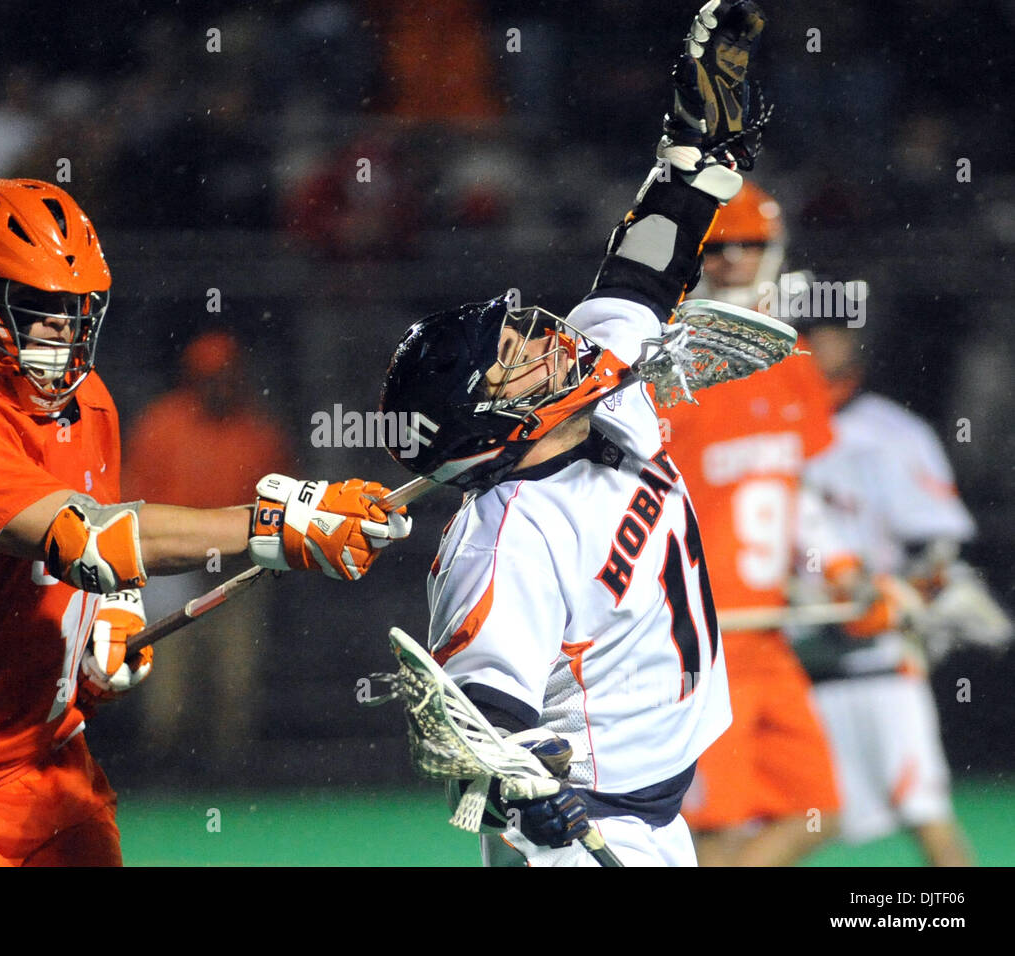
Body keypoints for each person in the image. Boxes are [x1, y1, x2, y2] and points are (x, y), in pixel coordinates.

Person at [0, 178, 411, 866]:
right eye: (40, 305)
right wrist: (273, 524)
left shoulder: (92, 404)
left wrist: (101, 628)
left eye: (77, 307)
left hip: (47, 756)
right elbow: (90, 539)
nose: (65, 327)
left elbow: (94, 566)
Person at [377, 0, 769, 866]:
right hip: (585, 828)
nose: (543, 339)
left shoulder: (603, 386)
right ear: (492, 421)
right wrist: (510, 788)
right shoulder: (506, 536)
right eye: (513, 357)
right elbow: (480, 723)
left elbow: (643, 269)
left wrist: (695, 155)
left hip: (658, 808)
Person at [792, 291, 1011, 865]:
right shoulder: (763, 428)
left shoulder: (891, 433)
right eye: (801, 334)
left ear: (851, 340)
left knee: (923, 812)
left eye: (825, 332)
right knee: (779, 823)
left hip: (876, 664)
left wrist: (899, 597)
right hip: (786, 665)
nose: (811, 346)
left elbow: (937, 550)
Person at [662, 184, 843, 866]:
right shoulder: (672, 370)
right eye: (718, 246)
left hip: (766, 634)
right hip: (702, 636)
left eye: (749, 244)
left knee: (816, 812)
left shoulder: (795, 365)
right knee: (711, 830)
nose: (733, 258)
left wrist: (845, 572)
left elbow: (803, 495)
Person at [121, 331, 295, 761]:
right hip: (170, 569)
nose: (218, 385)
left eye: (226, 376)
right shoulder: (162, 424)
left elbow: (282, 508)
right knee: (167, 687)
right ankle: (166, 770)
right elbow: (131, 502)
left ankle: (229, 771)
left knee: (235, 680)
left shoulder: (258, 431)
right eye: (210, 376)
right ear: (192, 377)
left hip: (238, 569)